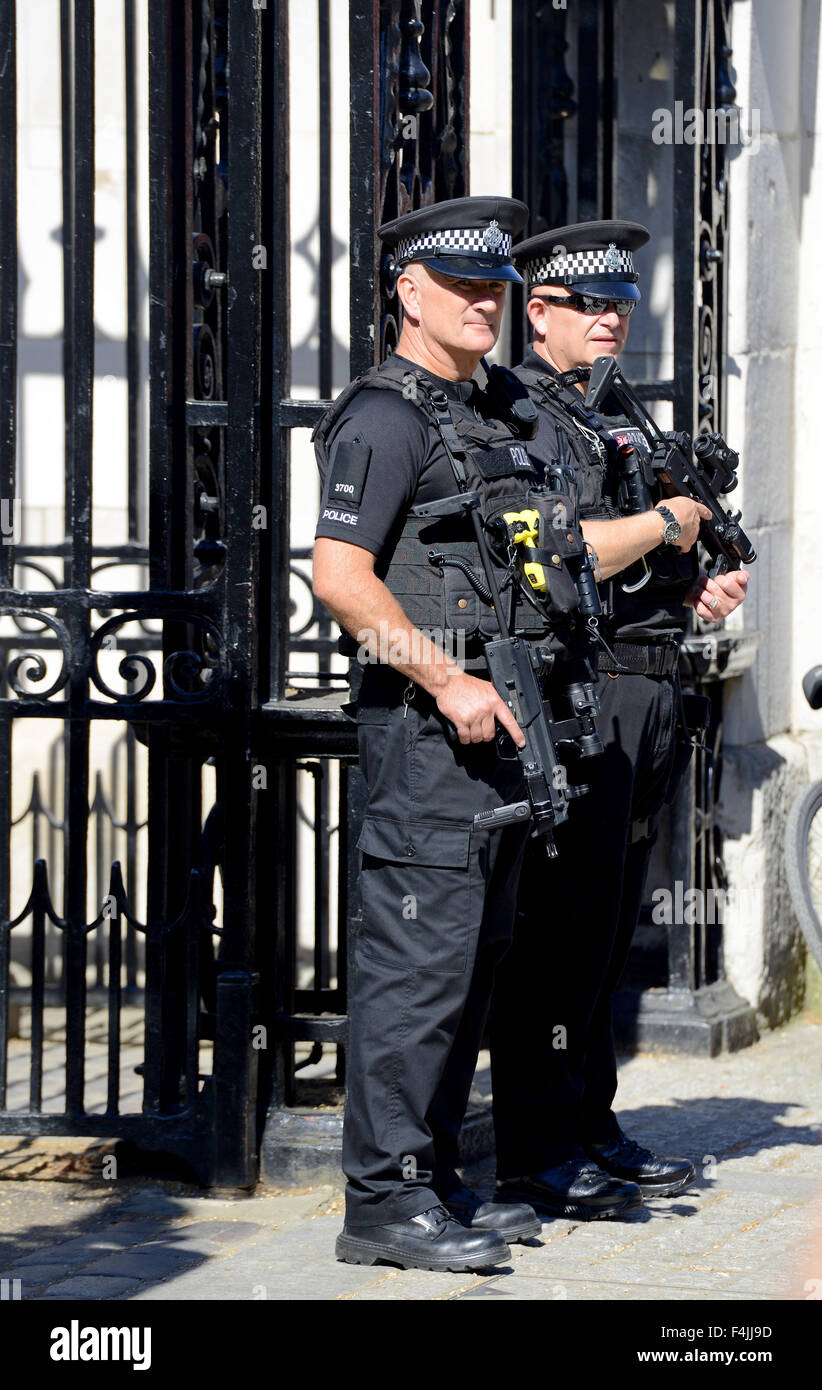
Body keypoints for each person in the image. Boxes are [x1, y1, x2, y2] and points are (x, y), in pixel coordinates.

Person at [311, 195, 567, 1271]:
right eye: (461, 286)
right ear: (407, 291)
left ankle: (437, 1179)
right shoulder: (382, 416)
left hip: (496, 733)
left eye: (495, 288)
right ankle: (381, 1202)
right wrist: (444, 677)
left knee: (468, 963)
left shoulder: (479, 413)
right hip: (426, 739)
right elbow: (339, 575)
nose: (484, 304)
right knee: (415, 971)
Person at [487, 220, 750, 1220]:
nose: (611, 320)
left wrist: (692, 593)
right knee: (558, 936)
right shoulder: (521, 413)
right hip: (578, 694)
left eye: (620, 304)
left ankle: (589, 1126)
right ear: (537, 309)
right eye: (588, 305)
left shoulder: (611, 409)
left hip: (648, 679)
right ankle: (536, 1149)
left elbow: (636, 566)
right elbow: (548, 559)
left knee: (603, 939)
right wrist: (662, 526)